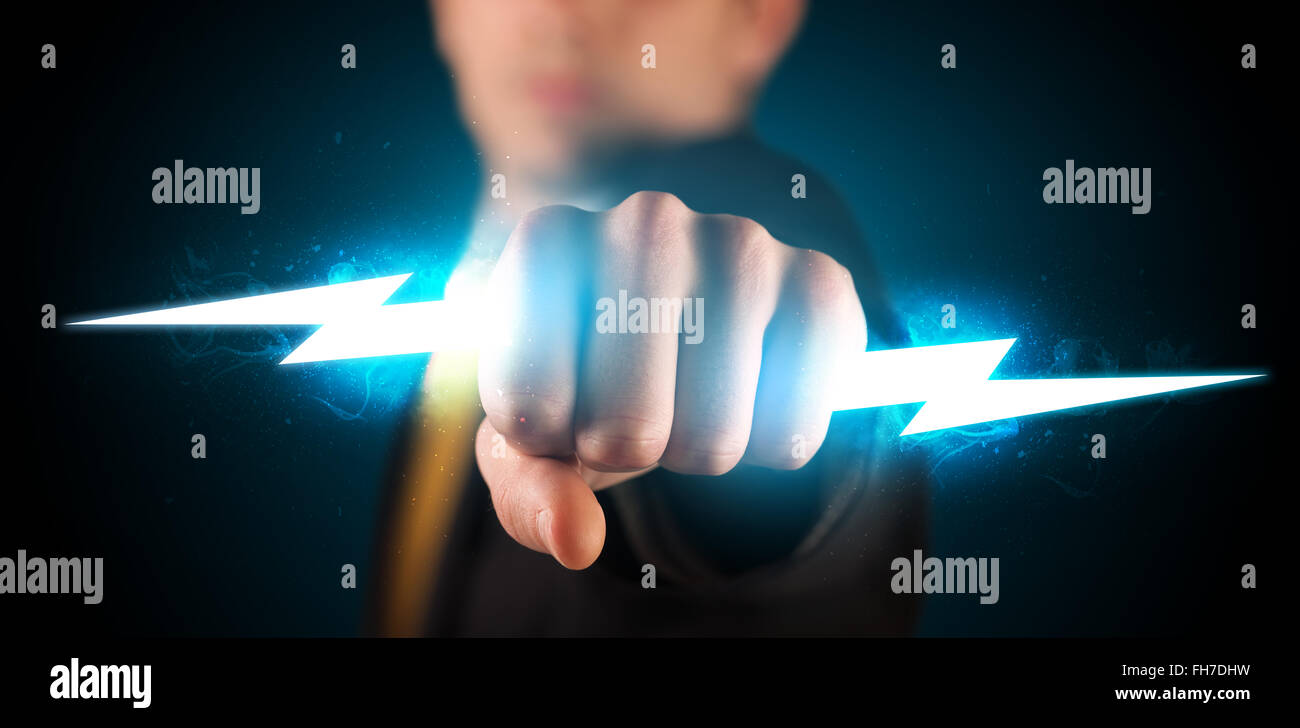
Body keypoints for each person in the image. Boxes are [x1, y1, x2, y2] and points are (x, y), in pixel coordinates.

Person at [366, 0, 929, 636]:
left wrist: (737, 473)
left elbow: (815, 478)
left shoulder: (774, 217)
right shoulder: (462, 305)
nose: (557, 19)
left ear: (759, 16)